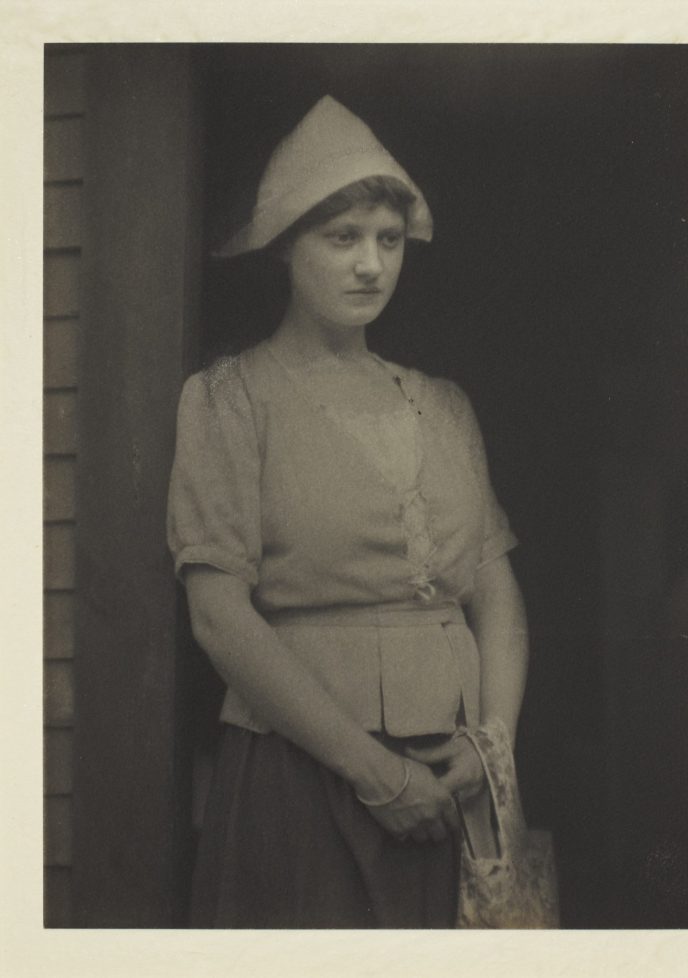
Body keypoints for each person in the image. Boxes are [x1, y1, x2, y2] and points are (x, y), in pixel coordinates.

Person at [167, 95, 529, 928]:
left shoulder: (442, 406)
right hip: (302, 776)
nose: (370, 264)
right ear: (284, 246)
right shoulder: (231, 399)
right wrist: (375, 773)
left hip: (449, 780)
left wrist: (491, 745)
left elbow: (497, 598)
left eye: (388, 240)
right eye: (342, 238)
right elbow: (218, 617)